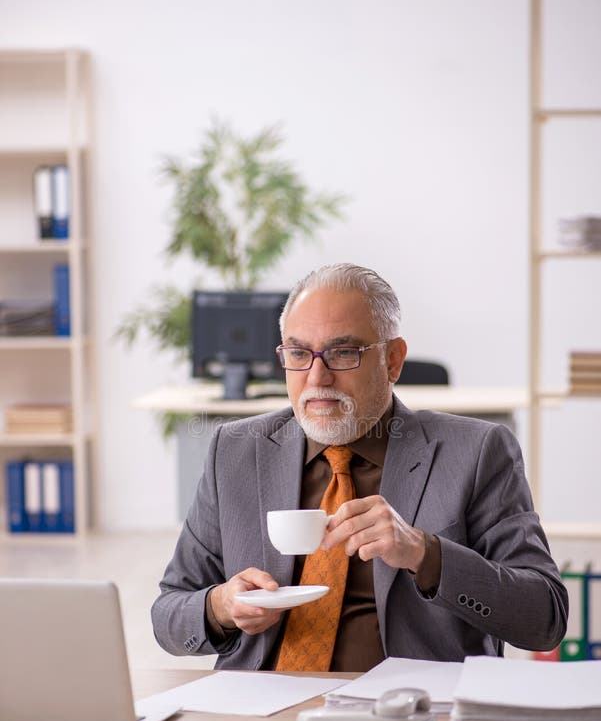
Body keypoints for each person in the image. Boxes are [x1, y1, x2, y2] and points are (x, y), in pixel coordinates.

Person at [151, 263, 568, 671]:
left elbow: (544, 620)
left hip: (405, 709)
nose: (317, 377)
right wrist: (219, 607)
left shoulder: (477, 453)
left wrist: (427, 554)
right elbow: (168, 612)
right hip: (259, 707)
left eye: (343, 353)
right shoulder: (236, 450)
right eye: (299, 353)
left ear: (392, 360)